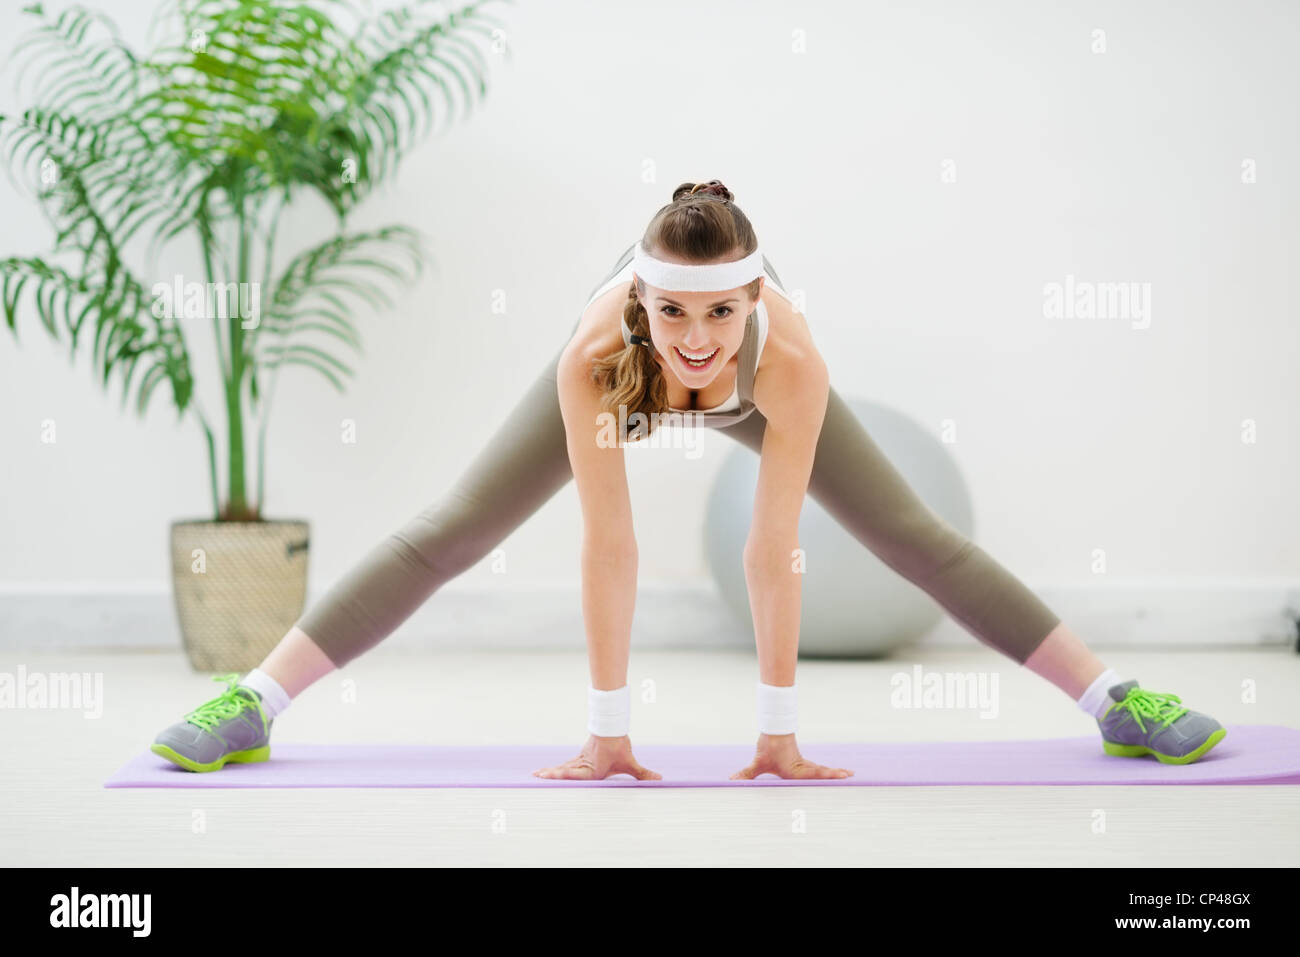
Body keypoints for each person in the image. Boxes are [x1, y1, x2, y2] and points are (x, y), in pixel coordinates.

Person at [151, 180, 1226, 780]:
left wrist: (776, 733)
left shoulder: (787, 361)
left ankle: (1114, 700)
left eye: (722, 311)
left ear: (754, 298)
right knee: (456, 527)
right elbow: (608, 546)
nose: (699, 340)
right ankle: (254, 701)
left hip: (776, 397)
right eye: (674, 311)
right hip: (615, 382)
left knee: (910, 534)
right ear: (643, 305)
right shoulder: (596, 355)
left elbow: (772, 548)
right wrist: (610, 733)